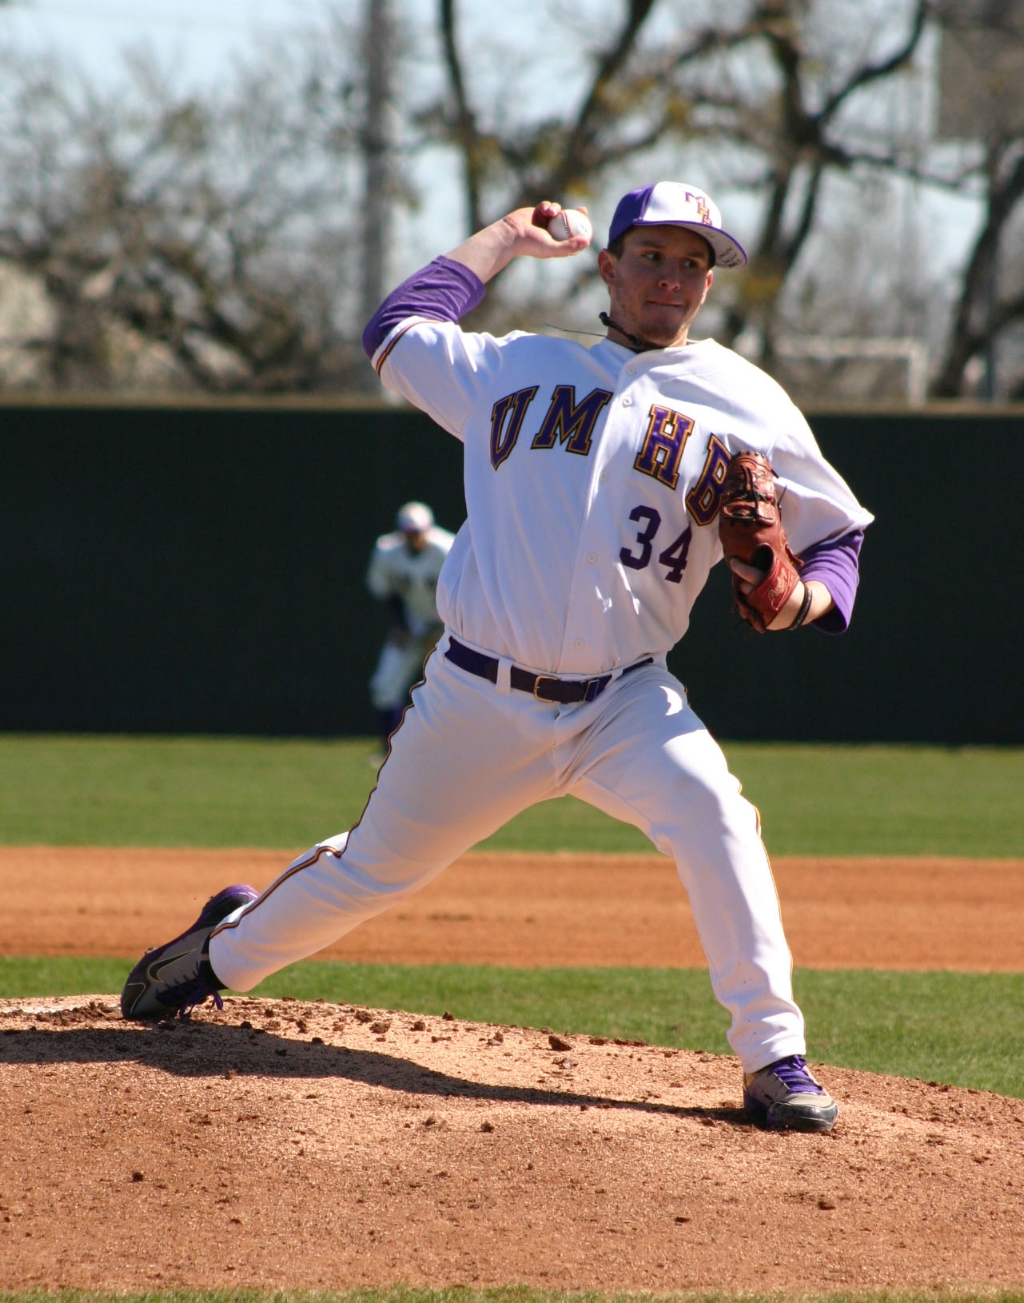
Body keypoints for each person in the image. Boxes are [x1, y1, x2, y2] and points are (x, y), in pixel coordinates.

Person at [121, 182, 873, 1133]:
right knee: (369, 875)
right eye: (653, 255)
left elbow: (840, 538)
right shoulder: (516, 366)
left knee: (718, 817)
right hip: (477, 693)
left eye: (694, 262)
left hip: (624, 701)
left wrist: (796, 596)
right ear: (609, 267)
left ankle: (773, 1057)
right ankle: (216, 953)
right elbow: (394, 329)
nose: (673, 277)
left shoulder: (746, 400)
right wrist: (508, 239)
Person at [365, 500, 455, 755]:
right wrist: (401, 627)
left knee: (455, 690)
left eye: (418, 532)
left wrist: (444, 629)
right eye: (409, 533)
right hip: (413, 623)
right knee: (383, 685)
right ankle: (390, 748)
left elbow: (469, 595)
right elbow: (384, 592)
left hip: (449, 626)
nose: (414, 538)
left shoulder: (447, 548)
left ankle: (454, 749)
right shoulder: (387, 551)